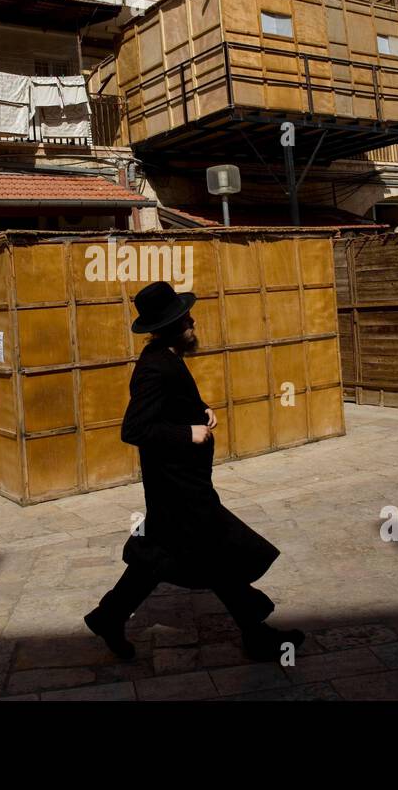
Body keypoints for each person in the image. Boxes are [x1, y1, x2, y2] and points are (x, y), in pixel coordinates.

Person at [84, 281, 305, 663]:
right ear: (171, 325)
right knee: (219, 552)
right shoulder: (155, 367)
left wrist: (201, 410)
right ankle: (256, 634)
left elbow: (173, 404)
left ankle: (109, 616)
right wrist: (188, 432)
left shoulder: (167, 358)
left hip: (181, 486)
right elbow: (134, 429)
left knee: (162, 557)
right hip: (178, 490)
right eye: (185, 319)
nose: (192, 322)